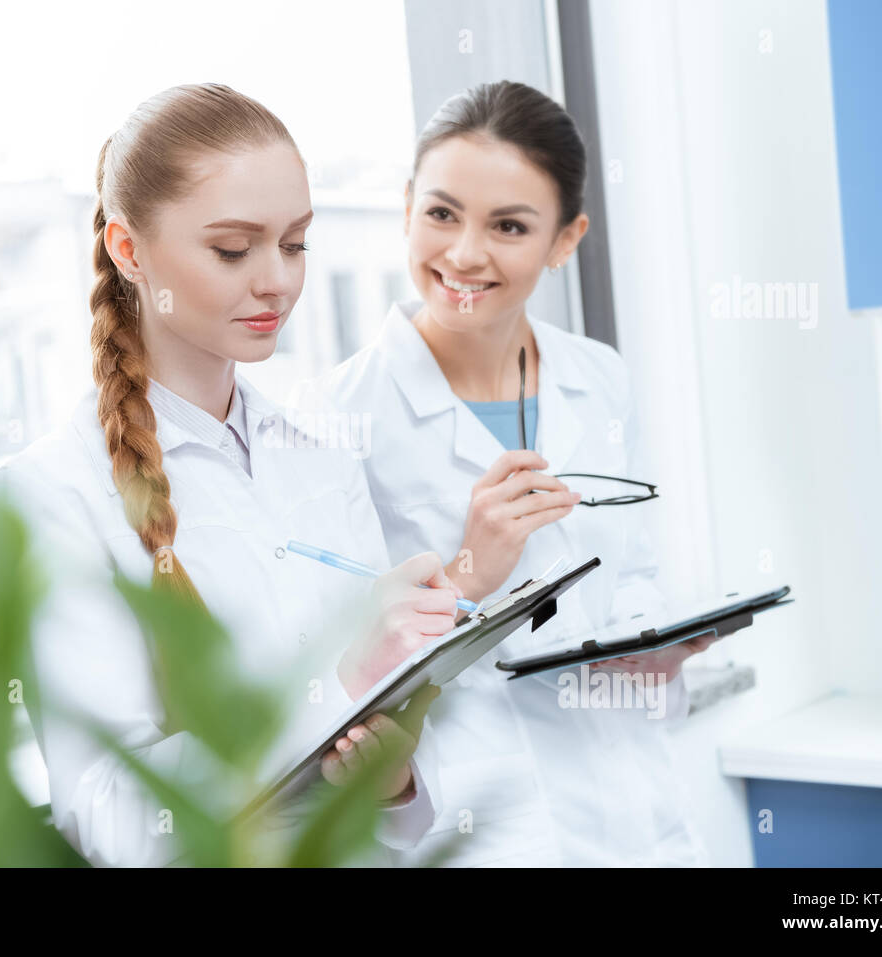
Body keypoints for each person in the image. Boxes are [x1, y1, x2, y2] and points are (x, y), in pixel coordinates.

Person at [0, 84, 461, 867]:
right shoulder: (51, 495)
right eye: (234, 249)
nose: (277, 280)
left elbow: (397, 775)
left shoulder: (321, 451)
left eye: (297, 243)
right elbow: (110, 816)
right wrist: (337, 684)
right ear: (129, 250)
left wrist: (396, 773)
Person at [301, 80, 714, 866]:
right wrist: (466, 573)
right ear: (406, 206)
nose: (463, 253)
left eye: (510, 226)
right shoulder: (334, 415)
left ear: (566, 239)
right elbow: (337, 670)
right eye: (442, 212)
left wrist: (657, 643)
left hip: (641, 814)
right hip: (488, 828)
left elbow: (635, 570)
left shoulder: (598, 376)